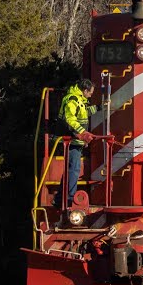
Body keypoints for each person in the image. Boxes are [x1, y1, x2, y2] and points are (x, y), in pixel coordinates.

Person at [58, 78, 97, 210]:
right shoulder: (72, 99)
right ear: (85, 90)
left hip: (76, 141)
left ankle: (61, 198)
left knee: (73, 169)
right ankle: (68, 198)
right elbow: (70, 120)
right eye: (90, 92)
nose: (91, 94)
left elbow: (85, 112)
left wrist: (100, 107)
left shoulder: (80, 100)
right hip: (71, 141)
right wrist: (83, 133)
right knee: (73, 170)